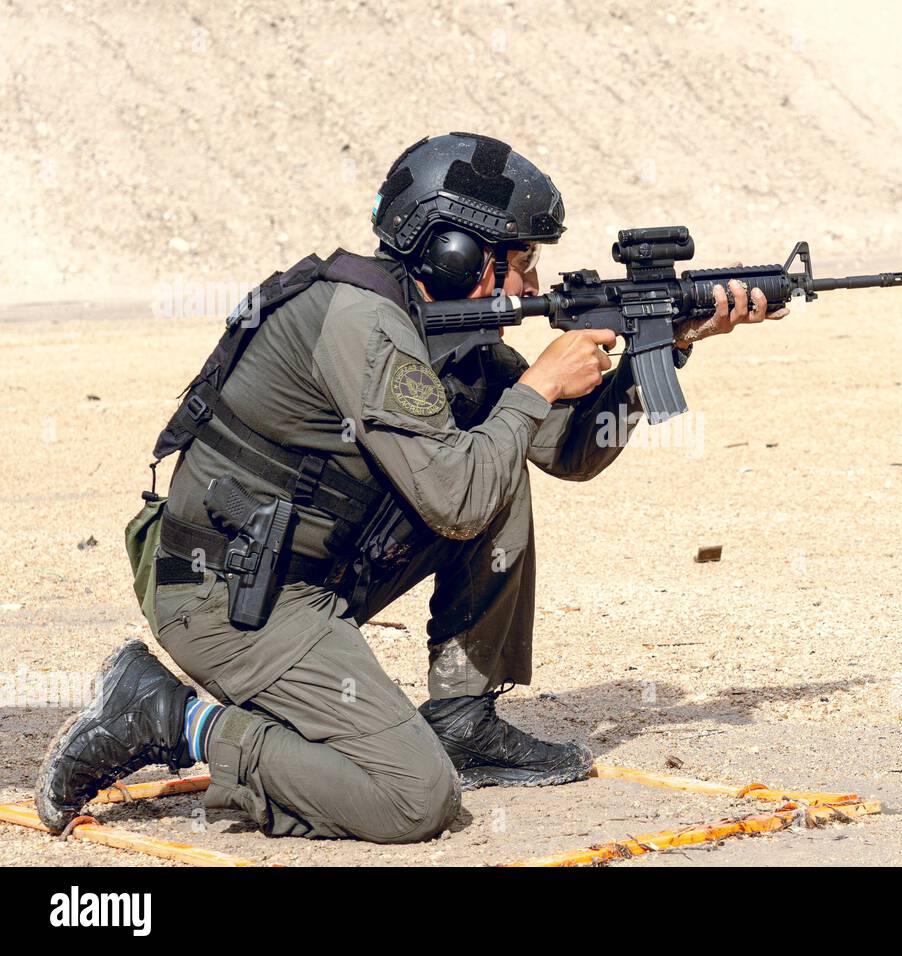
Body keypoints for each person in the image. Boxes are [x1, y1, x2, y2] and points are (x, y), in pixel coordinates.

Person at [36, 132, 785, 843]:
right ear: (459, 257)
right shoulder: (361, 321)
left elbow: (570, 454)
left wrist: (664, 350)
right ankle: (167, 716)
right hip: (227, 599)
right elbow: (458, 497)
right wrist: (533, 389)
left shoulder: (433, 326)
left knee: (499, 451)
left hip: (298, 579)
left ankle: (463, 716)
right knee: (412, 798)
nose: (531, 283)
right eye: (520, 260)